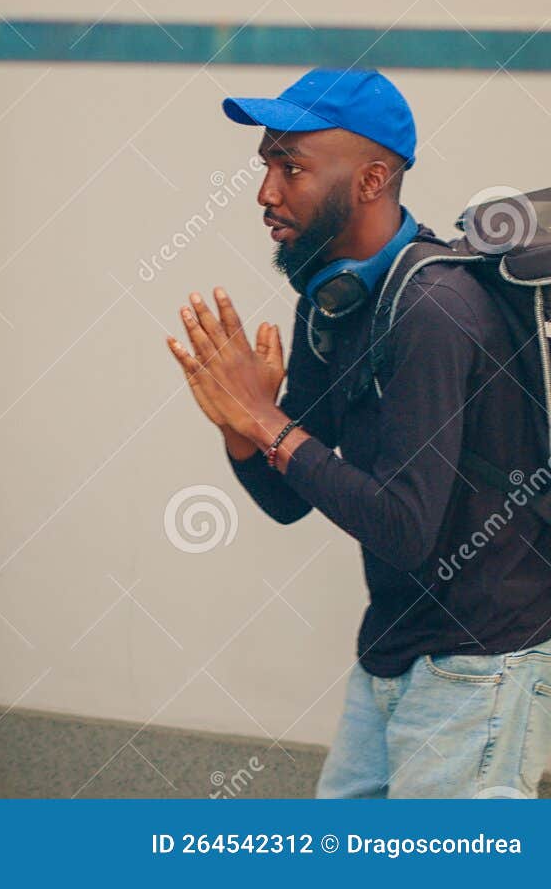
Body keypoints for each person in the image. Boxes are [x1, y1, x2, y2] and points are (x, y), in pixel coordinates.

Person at [167, 68, 551, 798]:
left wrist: (268, 421)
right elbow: (292, 498)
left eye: (292, 168)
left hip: (482, 665)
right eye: (266, 166)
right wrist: (244, 432)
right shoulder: (335, 300)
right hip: (395, 653)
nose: (266, 194)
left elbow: (403, 527)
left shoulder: (435, 310)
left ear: (372, 179)